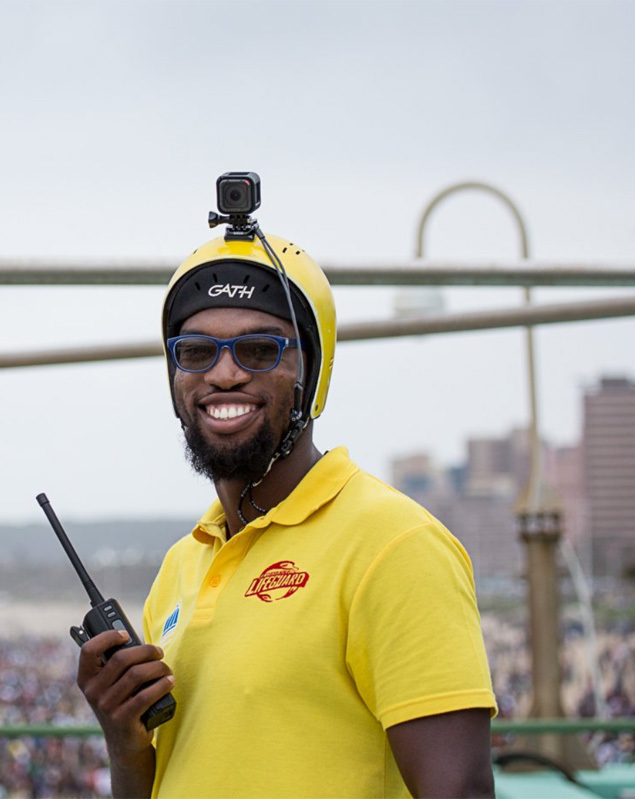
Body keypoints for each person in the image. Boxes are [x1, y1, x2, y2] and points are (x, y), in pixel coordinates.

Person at [76, 216, 498, 798]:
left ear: (312, 374)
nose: (224, 374)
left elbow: (460, 792)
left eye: (258, 349)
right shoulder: (180, 565)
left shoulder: (395, 543)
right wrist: (125, 746)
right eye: (196, 352)